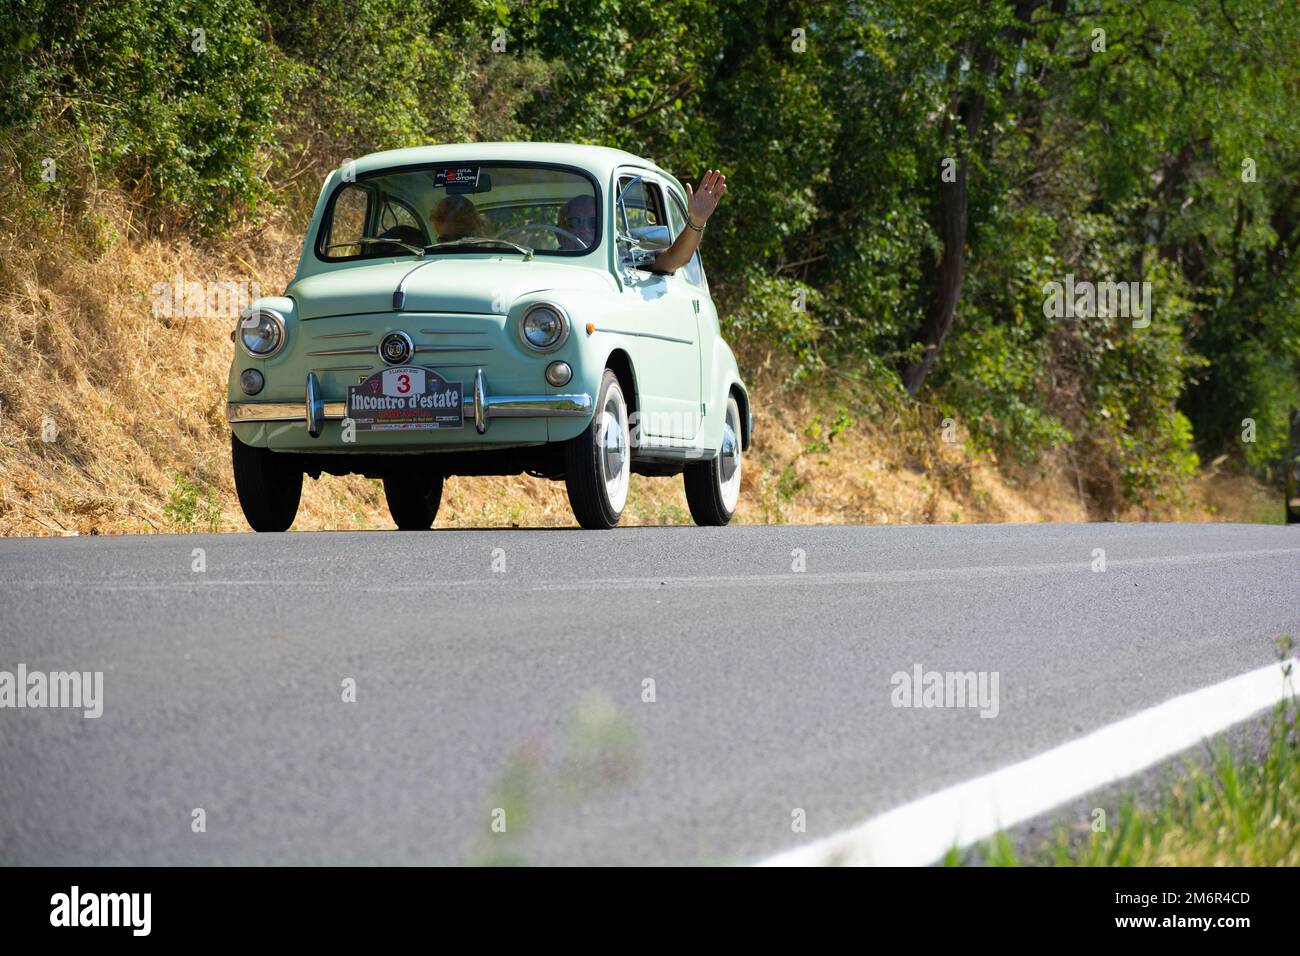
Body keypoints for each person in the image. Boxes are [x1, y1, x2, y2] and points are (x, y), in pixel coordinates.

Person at [556, 168, 729, 271]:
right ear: (561, 232)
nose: (584, 229)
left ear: (608, 228)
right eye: (574, 222)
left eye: (593, 223)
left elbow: (675, 259)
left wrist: (697, 221)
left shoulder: (623, 261)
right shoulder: (543, 262)